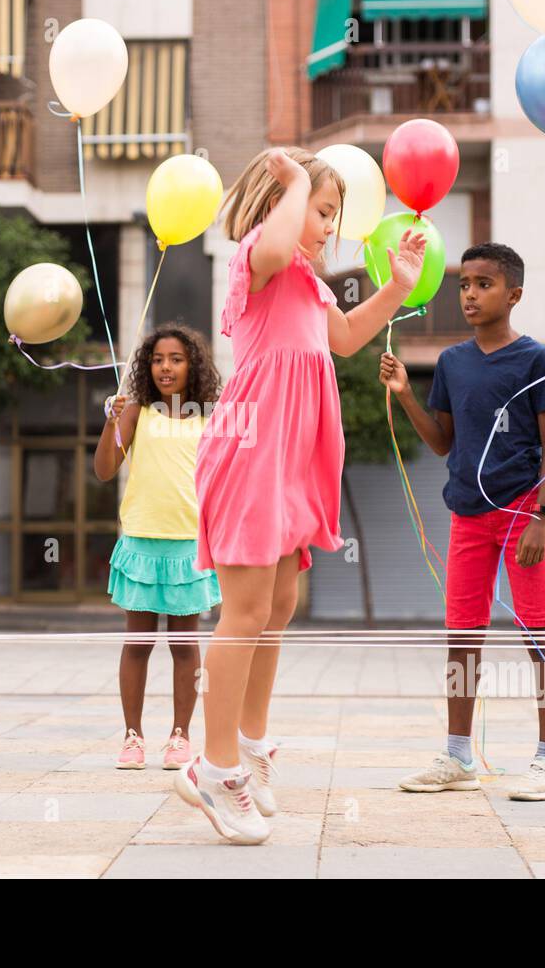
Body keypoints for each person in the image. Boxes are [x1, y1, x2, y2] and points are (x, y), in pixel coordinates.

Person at [175, 146, 426, 844]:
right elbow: (281, 239)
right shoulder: (259, 254)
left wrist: (398, 285)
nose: (327, 227)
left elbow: (345, 339)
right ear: (281, 201)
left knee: (277, 608)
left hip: (292, 458)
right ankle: (214, 768)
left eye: (332, 215)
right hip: (253, 452)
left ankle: (249, 749)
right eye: (322, 211)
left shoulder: (310, 284)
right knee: (246, 611)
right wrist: (292, 184)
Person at [382, 243, 545, 803]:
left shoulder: (536, 359)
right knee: (461, 637)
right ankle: (458, 755)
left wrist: (543, 515)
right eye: (464, 283)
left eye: (484, 284)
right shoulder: (451, 363)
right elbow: (443, 442)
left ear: (513, 295)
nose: (469, 293)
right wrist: (405, 396)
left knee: (539, 633)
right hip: (467, 515)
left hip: (522, 513)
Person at [93, 323, 223, 771]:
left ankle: (180, 737)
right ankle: (132, 738)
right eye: (157, 360)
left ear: (193, 366)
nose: (165, 368)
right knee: (138, 642)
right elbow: (105, 470)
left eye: (176, 359)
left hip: (189, 544)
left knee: (186, 645)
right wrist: (110, 423)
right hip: (142, 540)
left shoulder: (210, 415)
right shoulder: (136, 412)